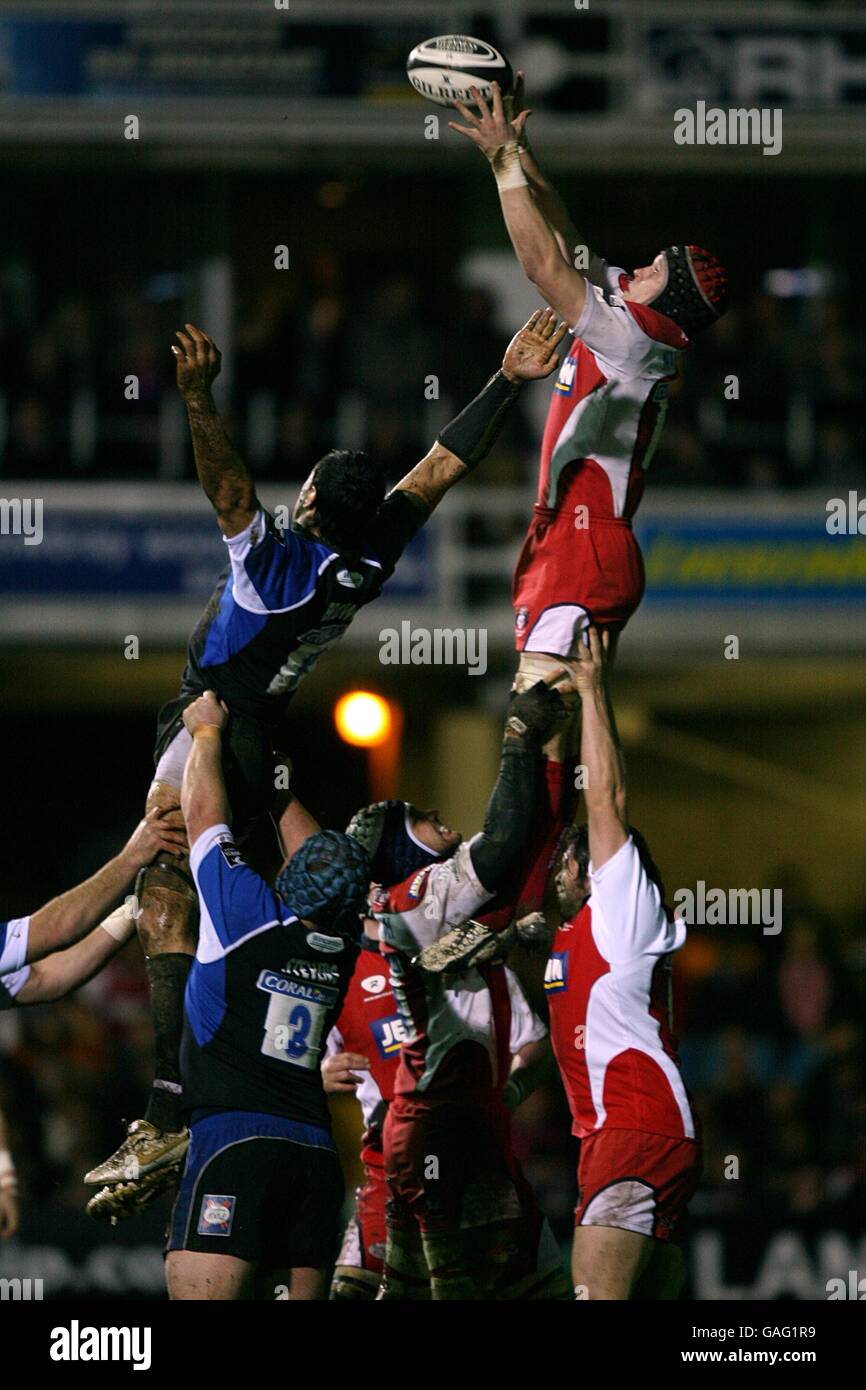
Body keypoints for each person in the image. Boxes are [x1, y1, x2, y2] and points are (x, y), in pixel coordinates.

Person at [87, 310, 568, 1200]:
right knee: (215, 896)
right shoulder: (368, 555)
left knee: (162, 900)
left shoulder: (277, 566)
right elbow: (443, 467)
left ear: (308, 502)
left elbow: (229, 492)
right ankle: (226, 1078)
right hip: (256, 733)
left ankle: (165, 1112)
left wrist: (197, 397)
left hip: (212, 724)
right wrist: (507, 381)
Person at [450, 75, 728, 676]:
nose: (640, 265)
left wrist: (500, 164)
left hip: (587, 542)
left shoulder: (633, 336)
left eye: (655, 268)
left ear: (669, 297)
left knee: (533, 727)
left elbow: (543, 265)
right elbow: (567, 238)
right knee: (545, 733)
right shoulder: (635, 320)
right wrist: (520, 152)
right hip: (577, 536)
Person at [358, 674, 577, 1299]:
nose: (436, 817)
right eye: (418, 821)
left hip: (463, 1124)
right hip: (439, 1129)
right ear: (397, 852)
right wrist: (516, 738)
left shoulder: (448, 920)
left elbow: (534, 836)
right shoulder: (411, 898)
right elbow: (507, 839)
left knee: (525, 1286)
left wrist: (555, 750)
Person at [162, 691, 371, 1300]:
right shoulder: (349, 938)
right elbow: (330, 869)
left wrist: (205, 735)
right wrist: (278, 792)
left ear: (290, 877)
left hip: (235, 1142)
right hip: (312, 1154)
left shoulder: (250, 915)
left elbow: (204, 819)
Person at [322, 847, 561, 1301]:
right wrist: (320, 1074)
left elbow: (534, 1047)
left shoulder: (480, 965)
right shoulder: (342, 972)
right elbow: (299, 1059)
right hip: (390, 1176)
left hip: (484, 1168)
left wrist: (509, 1092)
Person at [544, 626, 701, 1299]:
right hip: (624, 1134)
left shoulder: (622, 910)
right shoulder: (576, 931)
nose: (559, 868)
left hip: (635, 1129)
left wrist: (589, 686)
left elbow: (605, 801)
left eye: (570, 859)